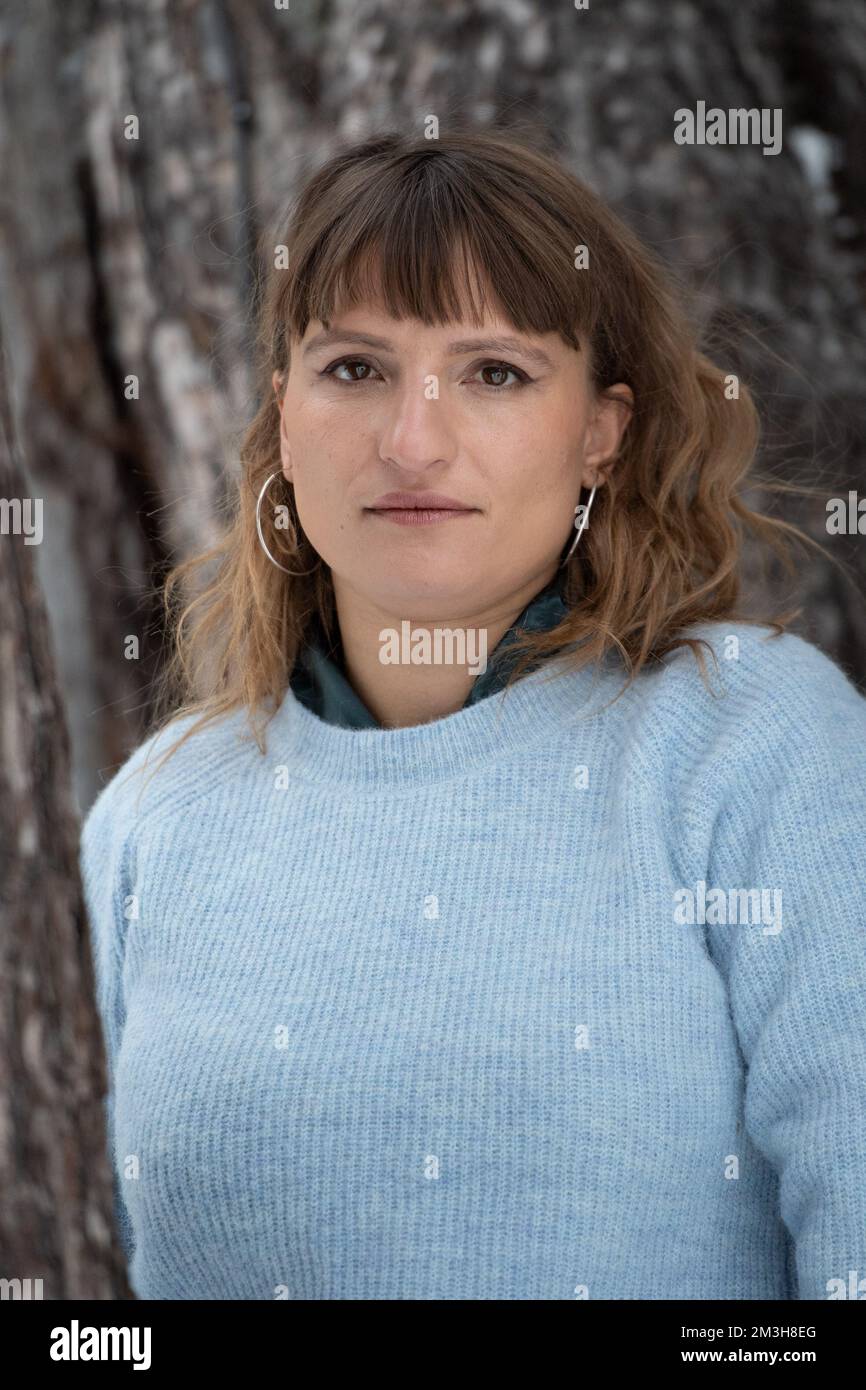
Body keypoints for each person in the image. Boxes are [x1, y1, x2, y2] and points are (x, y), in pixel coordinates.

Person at [80, 128, 866, 1301]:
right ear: (283, 413)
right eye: (355, 368)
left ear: (599, 432)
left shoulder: (747, 744)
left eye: (493, 371)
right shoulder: (154, 816)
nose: (412, 441)